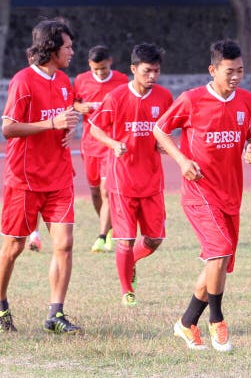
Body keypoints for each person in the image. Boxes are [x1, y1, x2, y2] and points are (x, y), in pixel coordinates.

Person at [154, 39, 251, 352]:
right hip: (199, 192)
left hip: (231, 194)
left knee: (220, 261)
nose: (236, 76)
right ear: (212, 70)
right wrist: (182, 160)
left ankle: (187, 322)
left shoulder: (247, 101)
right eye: (229, 71)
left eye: (240, 70)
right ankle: (217, 319)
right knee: (219, 252)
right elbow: (160, 129)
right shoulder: (191, 100)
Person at [0, 18, 82, 333]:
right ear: (51, 49)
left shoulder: (64, 81)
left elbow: (64, 115)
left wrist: (70, 124)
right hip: (25, 179)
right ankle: (1, 303)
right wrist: (51, 124)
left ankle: (55, 314)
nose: (72, 52)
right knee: (14, 247)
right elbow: (8, 127)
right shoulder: (23, 81)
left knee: (64, 244)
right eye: (68, 47)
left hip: (59, 176)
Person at [89, 44, 173, 306]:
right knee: (124, 240)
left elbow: (167, 131)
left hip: (152, 181)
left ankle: (132, 262)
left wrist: (164, 144)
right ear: (134, 69)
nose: (152, 76)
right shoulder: (115, 98)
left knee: (155, 239)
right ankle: (128, 291)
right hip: (122, 182)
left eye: (156, 71)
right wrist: (113, 144)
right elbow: (94, 129)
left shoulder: (164, 97)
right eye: (147, 71)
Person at [73, 44, 129, 253]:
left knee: (106, 191)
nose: (100, 72)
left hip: (110, 143)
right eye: (96, 69)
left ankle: (102, 236)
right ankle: (109, 226)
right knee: (95, 192)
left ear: (110, 63)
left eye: (103, 68)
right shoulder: (81, 80)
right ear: (90, 65)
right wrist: (81, 107)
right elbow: (73, 102)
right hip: (89, 144)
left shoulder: (122, 81)